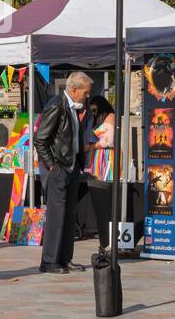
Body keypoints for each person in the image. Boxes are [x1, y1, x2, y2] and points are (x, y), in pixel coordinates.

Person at [34, 72, 93, 275]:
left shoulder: (73, 107)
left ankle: (65, 258)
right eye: (85, 92)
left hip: (72, 166)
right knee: (56, 216)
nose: (87, 96)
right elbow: (40, 139)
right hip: (60, 168)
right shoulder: (56, 105)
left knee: (69, 216)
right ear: (74, 90)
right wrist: (52, 165)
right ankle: (49, 260)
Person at [85, 94, 116, 182]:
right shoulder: (96, 119)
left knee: (104, 184)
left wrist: (88, 147)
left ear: (102, 107)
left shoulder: (111, 117)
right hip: (96, 155)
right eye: (91, 110)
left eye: (95, 110)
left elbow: (108, 141)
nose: (93, 113)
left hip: (106, 155)